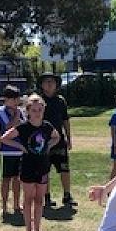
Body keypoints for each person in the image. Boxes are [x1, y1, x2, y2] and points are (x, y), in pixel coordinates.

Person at [0, 93, 60, 231]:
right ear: (28, 111)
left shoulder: (47, 126)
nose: (37, 113)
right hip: (27, 166)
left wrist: (48, 146)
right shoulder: (23, 127)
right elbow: (5, 138)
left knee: (39, 200)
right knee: (28, 199)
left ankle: (38, 230)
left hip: (43, 166)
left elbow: (57, 137)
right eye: (34, 110)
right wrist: (20, 146)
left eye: (40, 109)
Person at [39, 72, 74, 207]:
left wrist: (69, 138)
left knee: (64, 169)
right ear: (42, 85)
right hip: (43, 141)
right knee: (45, 170)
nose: (49, 84)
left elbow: (65, 120)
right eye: (47, 81)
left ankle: (67, 195)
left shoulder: (61, 101)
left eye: (52, 82)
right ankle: (46, 197)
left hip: (59, 141)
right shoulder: (39, 101)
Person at [0, 85, 25, 216]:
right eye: (12, 99)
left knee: (17, 179)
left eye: (16, 99)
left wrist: (19, 115)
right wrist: (16, 116)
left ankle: (16, 205)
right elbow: (8, 126)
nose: (15, 102)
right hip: (7, 151)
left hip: (19, 150)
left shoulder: (21, 111)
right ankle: (4, 205)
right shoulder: (1, 111)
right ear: (6, 100)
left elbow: (24, 126)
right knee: (6, 179)